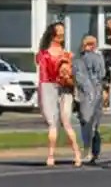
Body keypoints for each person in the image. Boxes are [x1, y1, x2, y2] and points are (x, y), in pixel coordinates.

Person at [35, 22, 82, 168]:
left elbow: (42, 71)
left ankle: (52, 156)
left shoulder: (44, 55)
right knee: (63, 122)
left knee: (56, 123)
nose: (61, 35)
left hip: (51, 86)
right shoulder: (65, 55)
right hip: (58, 86)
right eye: (59, 33)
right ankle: (76, 155)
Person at [73, 34, 106, 165]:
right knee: (95, 124)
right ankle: (95, 151)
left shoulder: (78, 60)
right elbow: (102, 74)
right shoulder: (99, 58)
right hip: (97, 91)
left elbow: (79, 78)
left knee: (86, 123)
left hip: (85, 94)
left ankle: (87, 151)